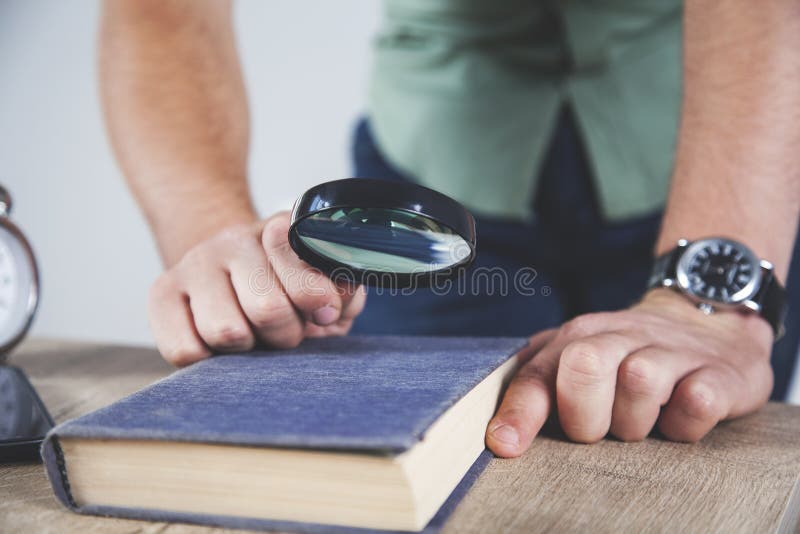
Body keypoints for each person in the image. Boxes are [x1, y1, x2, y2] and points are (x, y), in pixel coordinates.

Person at [98, 0, 800, 458]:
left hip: (723, 147)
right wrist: (216, 242)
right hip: (425, 185)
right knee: (424, 458)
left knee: (690, 442)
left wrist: (715, 287)